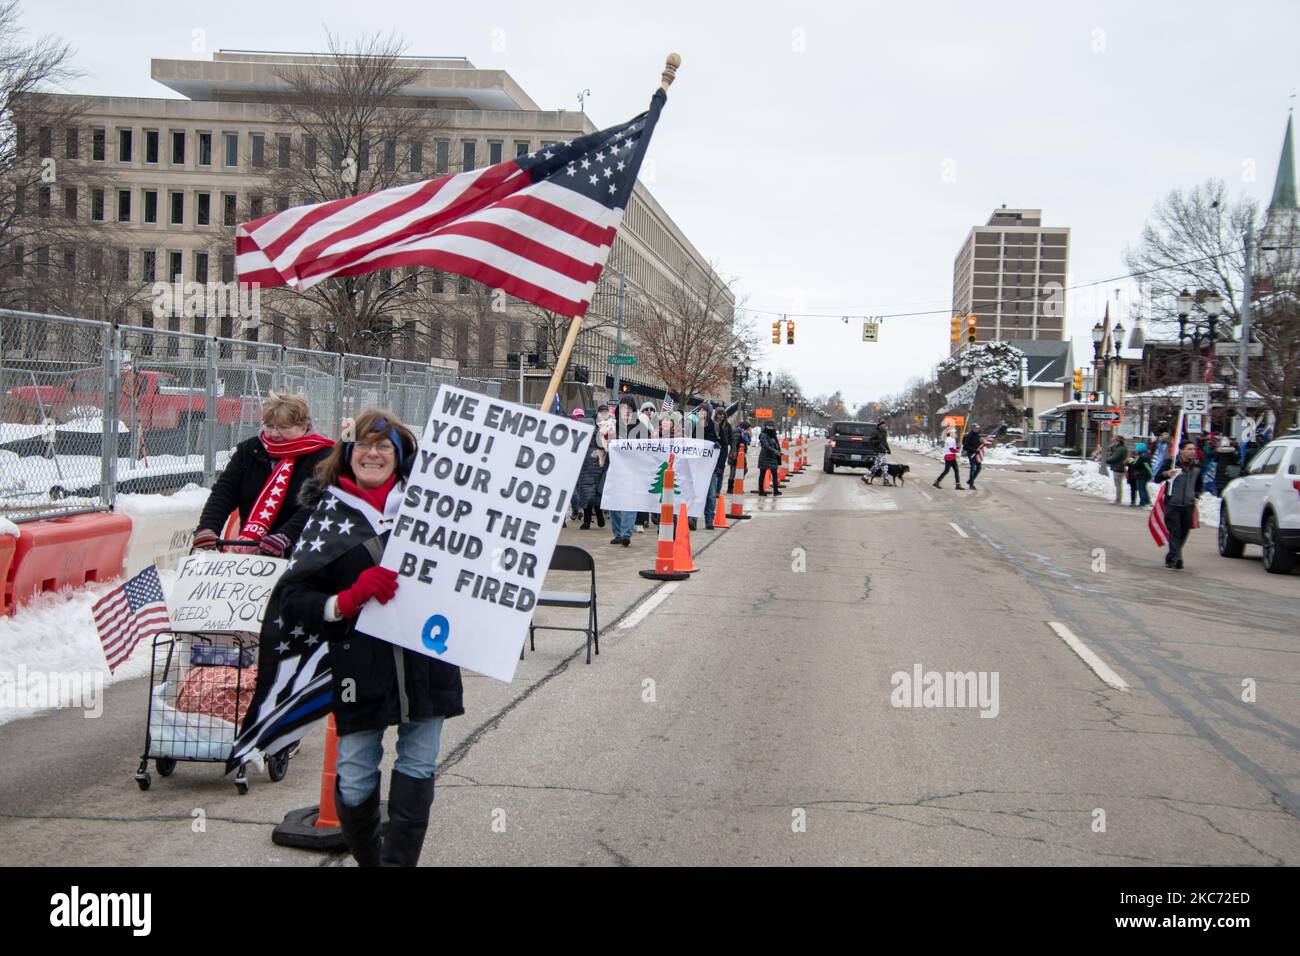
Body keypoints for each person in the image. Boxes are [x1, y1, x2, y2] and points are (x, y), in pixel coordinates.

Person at [274, 409, 463, 866]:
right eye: (363, 444)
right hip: (360, 668)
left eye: (384, 446)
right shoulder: (323, 516)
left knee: (417, 766)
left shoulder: (434, 510)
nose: (372, 453)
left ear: (399, 458)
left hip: (426, 662)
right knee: (356, 776)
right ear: (348, 453)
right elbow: (291, 600)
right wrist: (347, 599)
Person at [194, 391, 334, 556]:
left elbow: (319, 502)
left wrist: (286, 536)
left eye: (283, 427)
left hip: (302, 551)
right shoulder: (250, 450)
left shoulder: (324, 456)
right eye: (269, 426)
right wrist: (208, 527)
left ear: (303, 426)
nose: (274, 434)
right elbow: (225, 491)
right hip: (253, 550)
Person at [1155, 439, 1203, 571]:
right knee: (1175, 531)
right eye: (1189, 449)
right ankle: (1178, 558)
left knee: (1184, 532)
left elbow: (1199, 483)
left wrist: (1197, 494)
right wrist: (1167, 474)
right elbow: (1157, 477)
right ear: (1181, 450)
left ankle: (1171, 556)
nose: (1192, 452)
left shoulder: (1197, 466)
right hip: (1172, 503)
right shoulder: (1171, 463)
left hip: (1188, 505)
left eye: (1194, 449)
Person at [703, 405, 731, 529]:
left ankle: (709, 519)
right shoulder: (694, 427)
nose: (702, 413)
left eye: (704, 411)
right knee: (695, 494)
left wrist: (720, 464)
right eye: (700, 411)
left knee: (711, 494)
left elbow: (725, 447)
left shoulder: (716, 427)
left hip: (712, 467)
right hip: (696, 467)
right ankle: (691, 519)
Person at [757, 420, 782, 496]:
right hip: (765, 457)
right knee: (762, 474)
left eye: (772, 426)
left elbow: (776, 444)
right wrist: (775, 451)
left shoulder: (773, 434)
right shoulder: (763, 435)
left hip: (773, 457)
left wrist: (778, 451)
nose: (771, 427)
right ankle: (761, 491)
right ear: (766, 426)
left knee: (774, 474)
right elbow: (766, 445)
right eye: (769, 426)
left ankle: (776, 490)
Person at [1106, 436, 1128, 505]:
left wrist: (1108, 460)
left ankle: (1118, 499)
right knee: (1118, 484)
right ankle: (1118, 498)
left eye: (1114, 441)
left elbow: (1115, 458)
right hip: (1118, 467)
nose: (1113, 443)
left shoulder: (1120, 449)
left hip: (1118, 468)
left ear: (1118, 441)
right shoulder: (1120, 448)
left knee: (1118, 485)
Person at [961, 423, 984, 490]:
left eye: (977, 428)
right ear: (972, 428)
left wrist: (982, 443)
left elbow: (978, 444)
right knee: (972, 468)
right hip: (971, 454)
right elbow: (965, 446)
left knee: (979, 468)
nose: (976, 429)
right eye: (975, 428)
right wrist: (974, 450)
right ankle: (971, 485)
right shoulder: (969, 435)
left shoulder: (978, 435)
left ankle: (970, 481)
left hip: (977, 454)